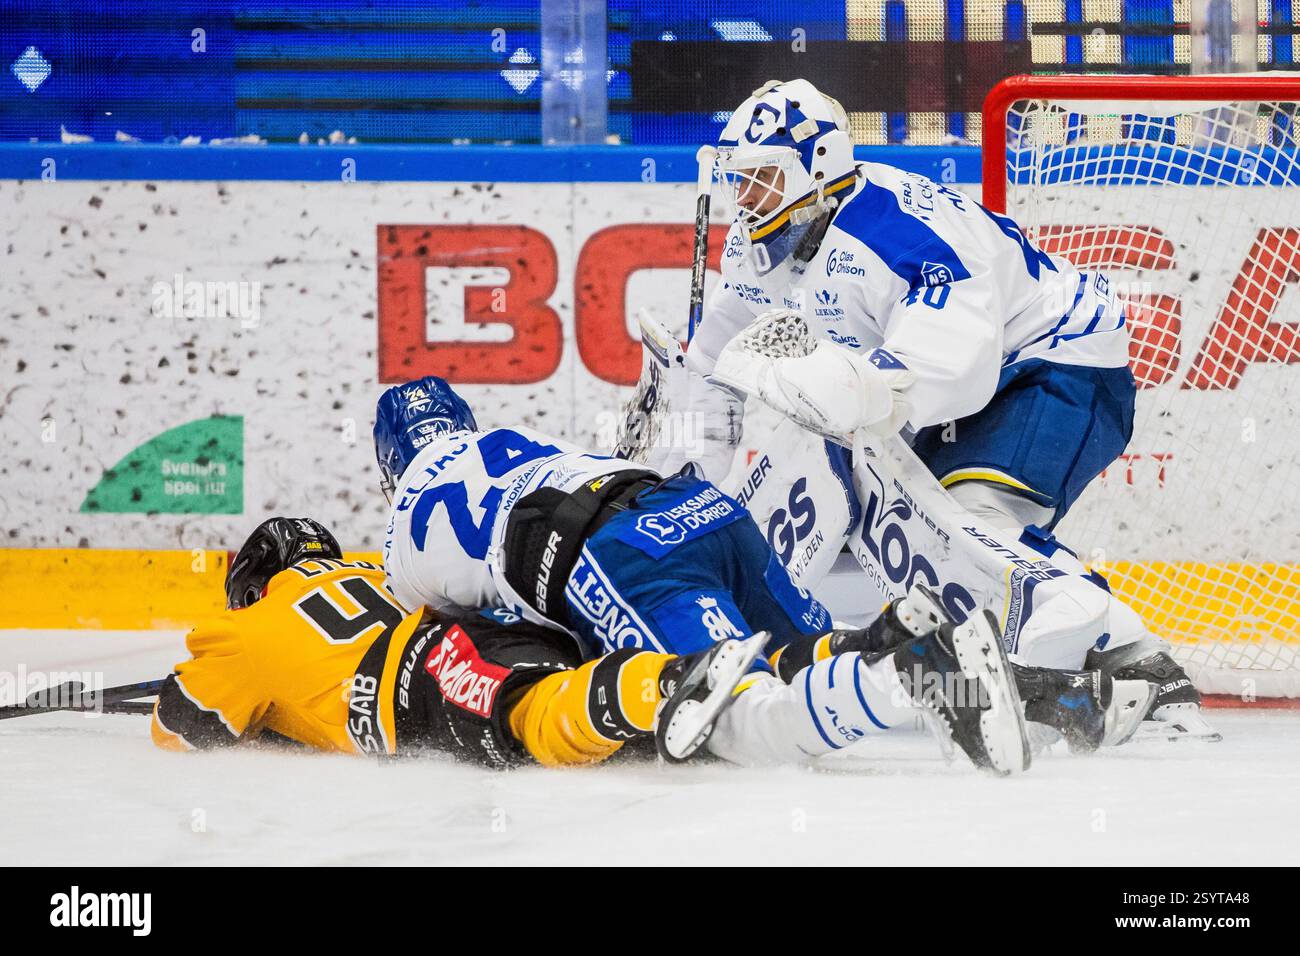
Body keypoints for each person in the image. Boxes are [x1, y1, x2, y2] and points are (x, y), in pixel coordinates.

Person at [670, 78, 1212, 739]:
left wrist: (853, 390)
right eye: (739, 181)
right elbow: (711, 360)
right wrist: (697, 472)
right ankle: (1118, 667)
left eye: (762, 181)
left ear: (818, 170)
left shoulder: (892, 234)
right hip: (973, 379)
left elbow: (958, 367)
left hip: (1057, 362)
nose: (746, 201)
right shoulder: (767, 243)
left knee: (970, 519)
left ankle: (1143, 677)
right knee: (922, 532)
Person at [376, 375, 1152, 773]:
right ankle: (1059, 697)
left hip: (618, 558)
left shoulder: (402, 532)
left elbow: (456, 647)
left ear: (389, 463)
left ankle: (907, 674)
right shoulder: (511, 436)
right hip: (695, 508)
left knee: (742, 723)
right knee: (808, 655)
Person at [150, 517, 763, 767]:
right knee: (564, 691)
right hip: (486, 620)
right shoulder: (372, 573)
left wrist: (270, 717)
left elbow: (180, 727)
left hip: (422, 675)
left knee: (530, 718)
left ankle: (659, 686)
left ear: (254, 586)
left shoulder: (242, 631)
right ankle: (805, 661)